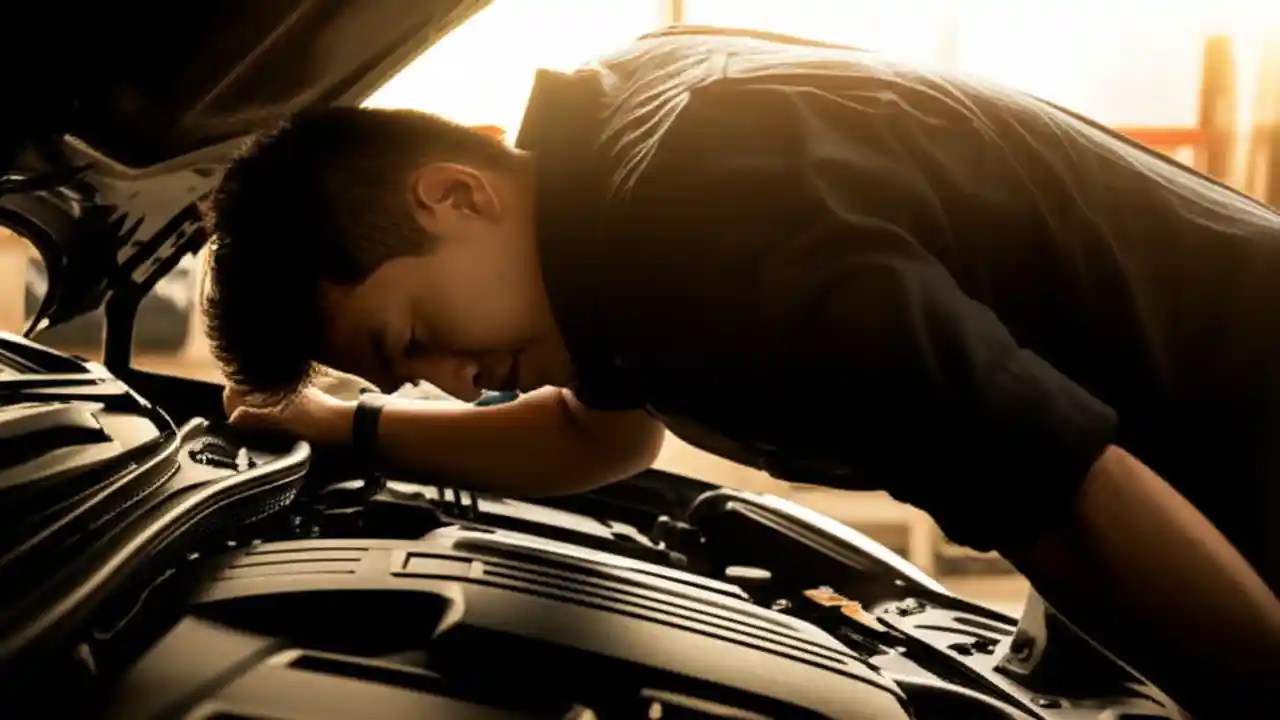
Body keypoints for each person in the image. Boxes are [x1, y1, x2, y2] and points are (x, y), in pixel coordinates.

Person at [204, 26, 1280, 716]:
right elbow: (598, 436)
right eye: (407, 376)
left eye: (413, 339)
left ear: (453, 195)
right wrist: (336, 426)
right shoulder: (622, 138)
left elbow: (1070, 499)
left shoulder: (700, 236)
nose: (456, 382)